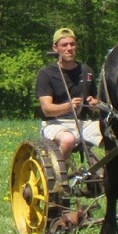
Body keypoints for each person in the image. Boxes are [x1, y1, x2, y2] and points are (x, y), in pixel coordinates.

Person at [36, 26, 102, 160]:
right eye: (64, 45)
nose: (69, 48)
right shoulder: (46, 74)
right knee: (68, 140)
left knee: (113, 134)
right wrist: (69, 106)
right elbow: (47, 110)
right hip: (55, 124)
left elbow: (95, 102)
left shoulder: (86, 71)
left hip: (83, 123)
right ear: (55, 48)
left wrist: (96, 104)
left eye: (72, 44)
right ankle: (63, 176)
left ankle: (110, 174)